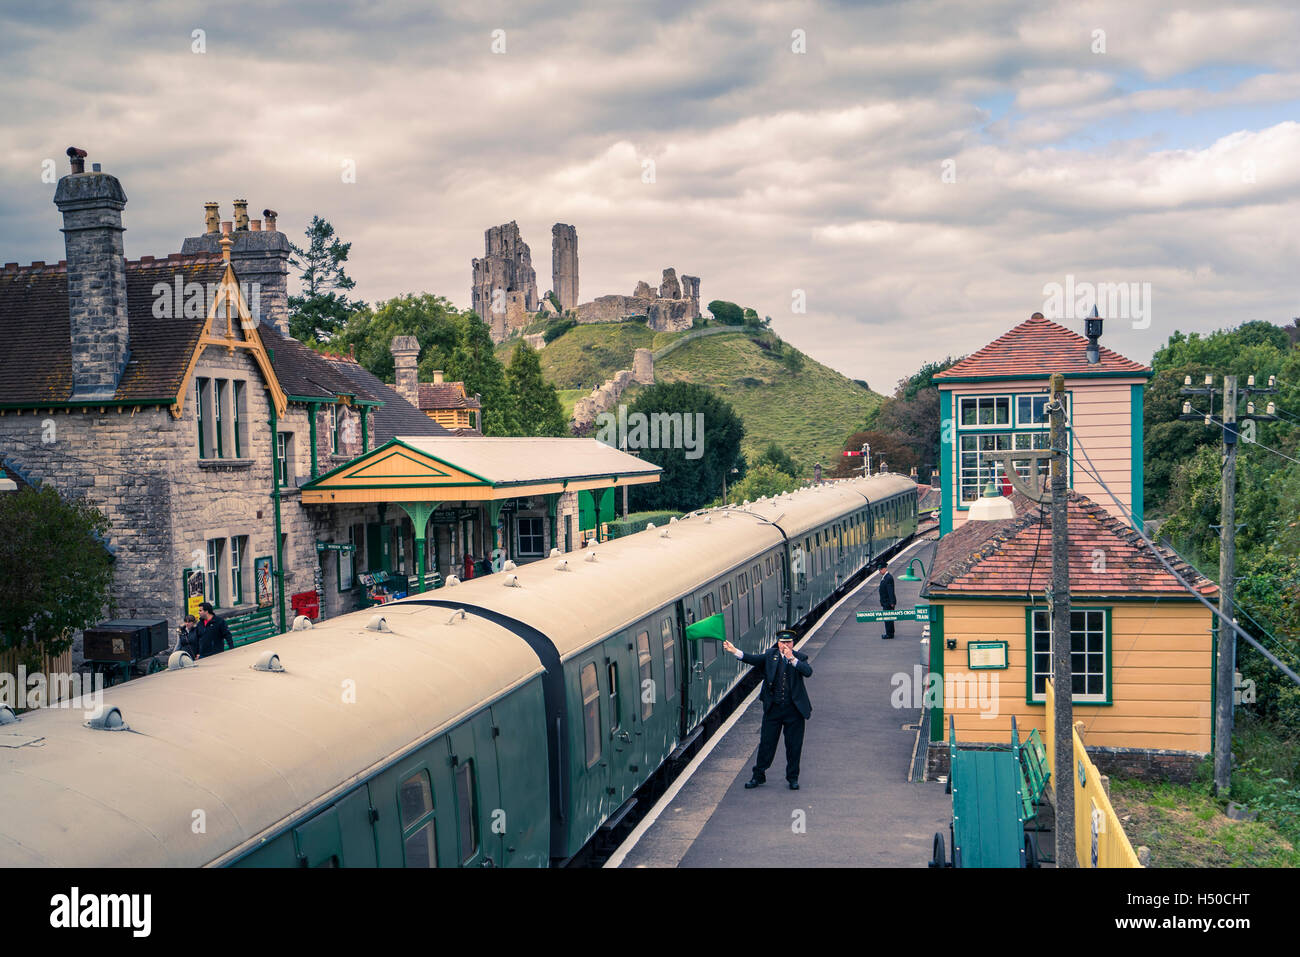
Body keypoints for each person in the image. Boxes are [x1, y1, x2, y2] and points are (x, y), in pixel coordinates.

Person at [722, 630, 812, 790]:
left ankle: (793, 778)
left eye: (789, 642)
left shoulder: (800, 657)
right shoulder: (770, 656)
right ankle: (758, 776)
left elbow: (808, 671)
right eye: (783, 643)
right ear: (778, 643)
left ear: (793, 643)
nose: (786, 645)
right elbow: (753, 659)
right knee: (766, 744)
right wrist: (734, 650)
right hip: (774, 709)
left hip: (794, 711)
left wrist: (792, 659)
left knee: (794, 746)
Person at [879, 569, 897, 639]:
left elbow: (890, 591)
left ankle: (889, 634)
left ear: (884, 569)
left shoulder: (888, 578)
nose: (879, 571)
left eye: (880, 569)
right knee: (889, 618)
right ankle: (890, 632)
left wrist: (892, 602)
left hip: (888, 602)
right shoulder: (885, 577)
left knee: (888, 618)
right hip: (886, 602)